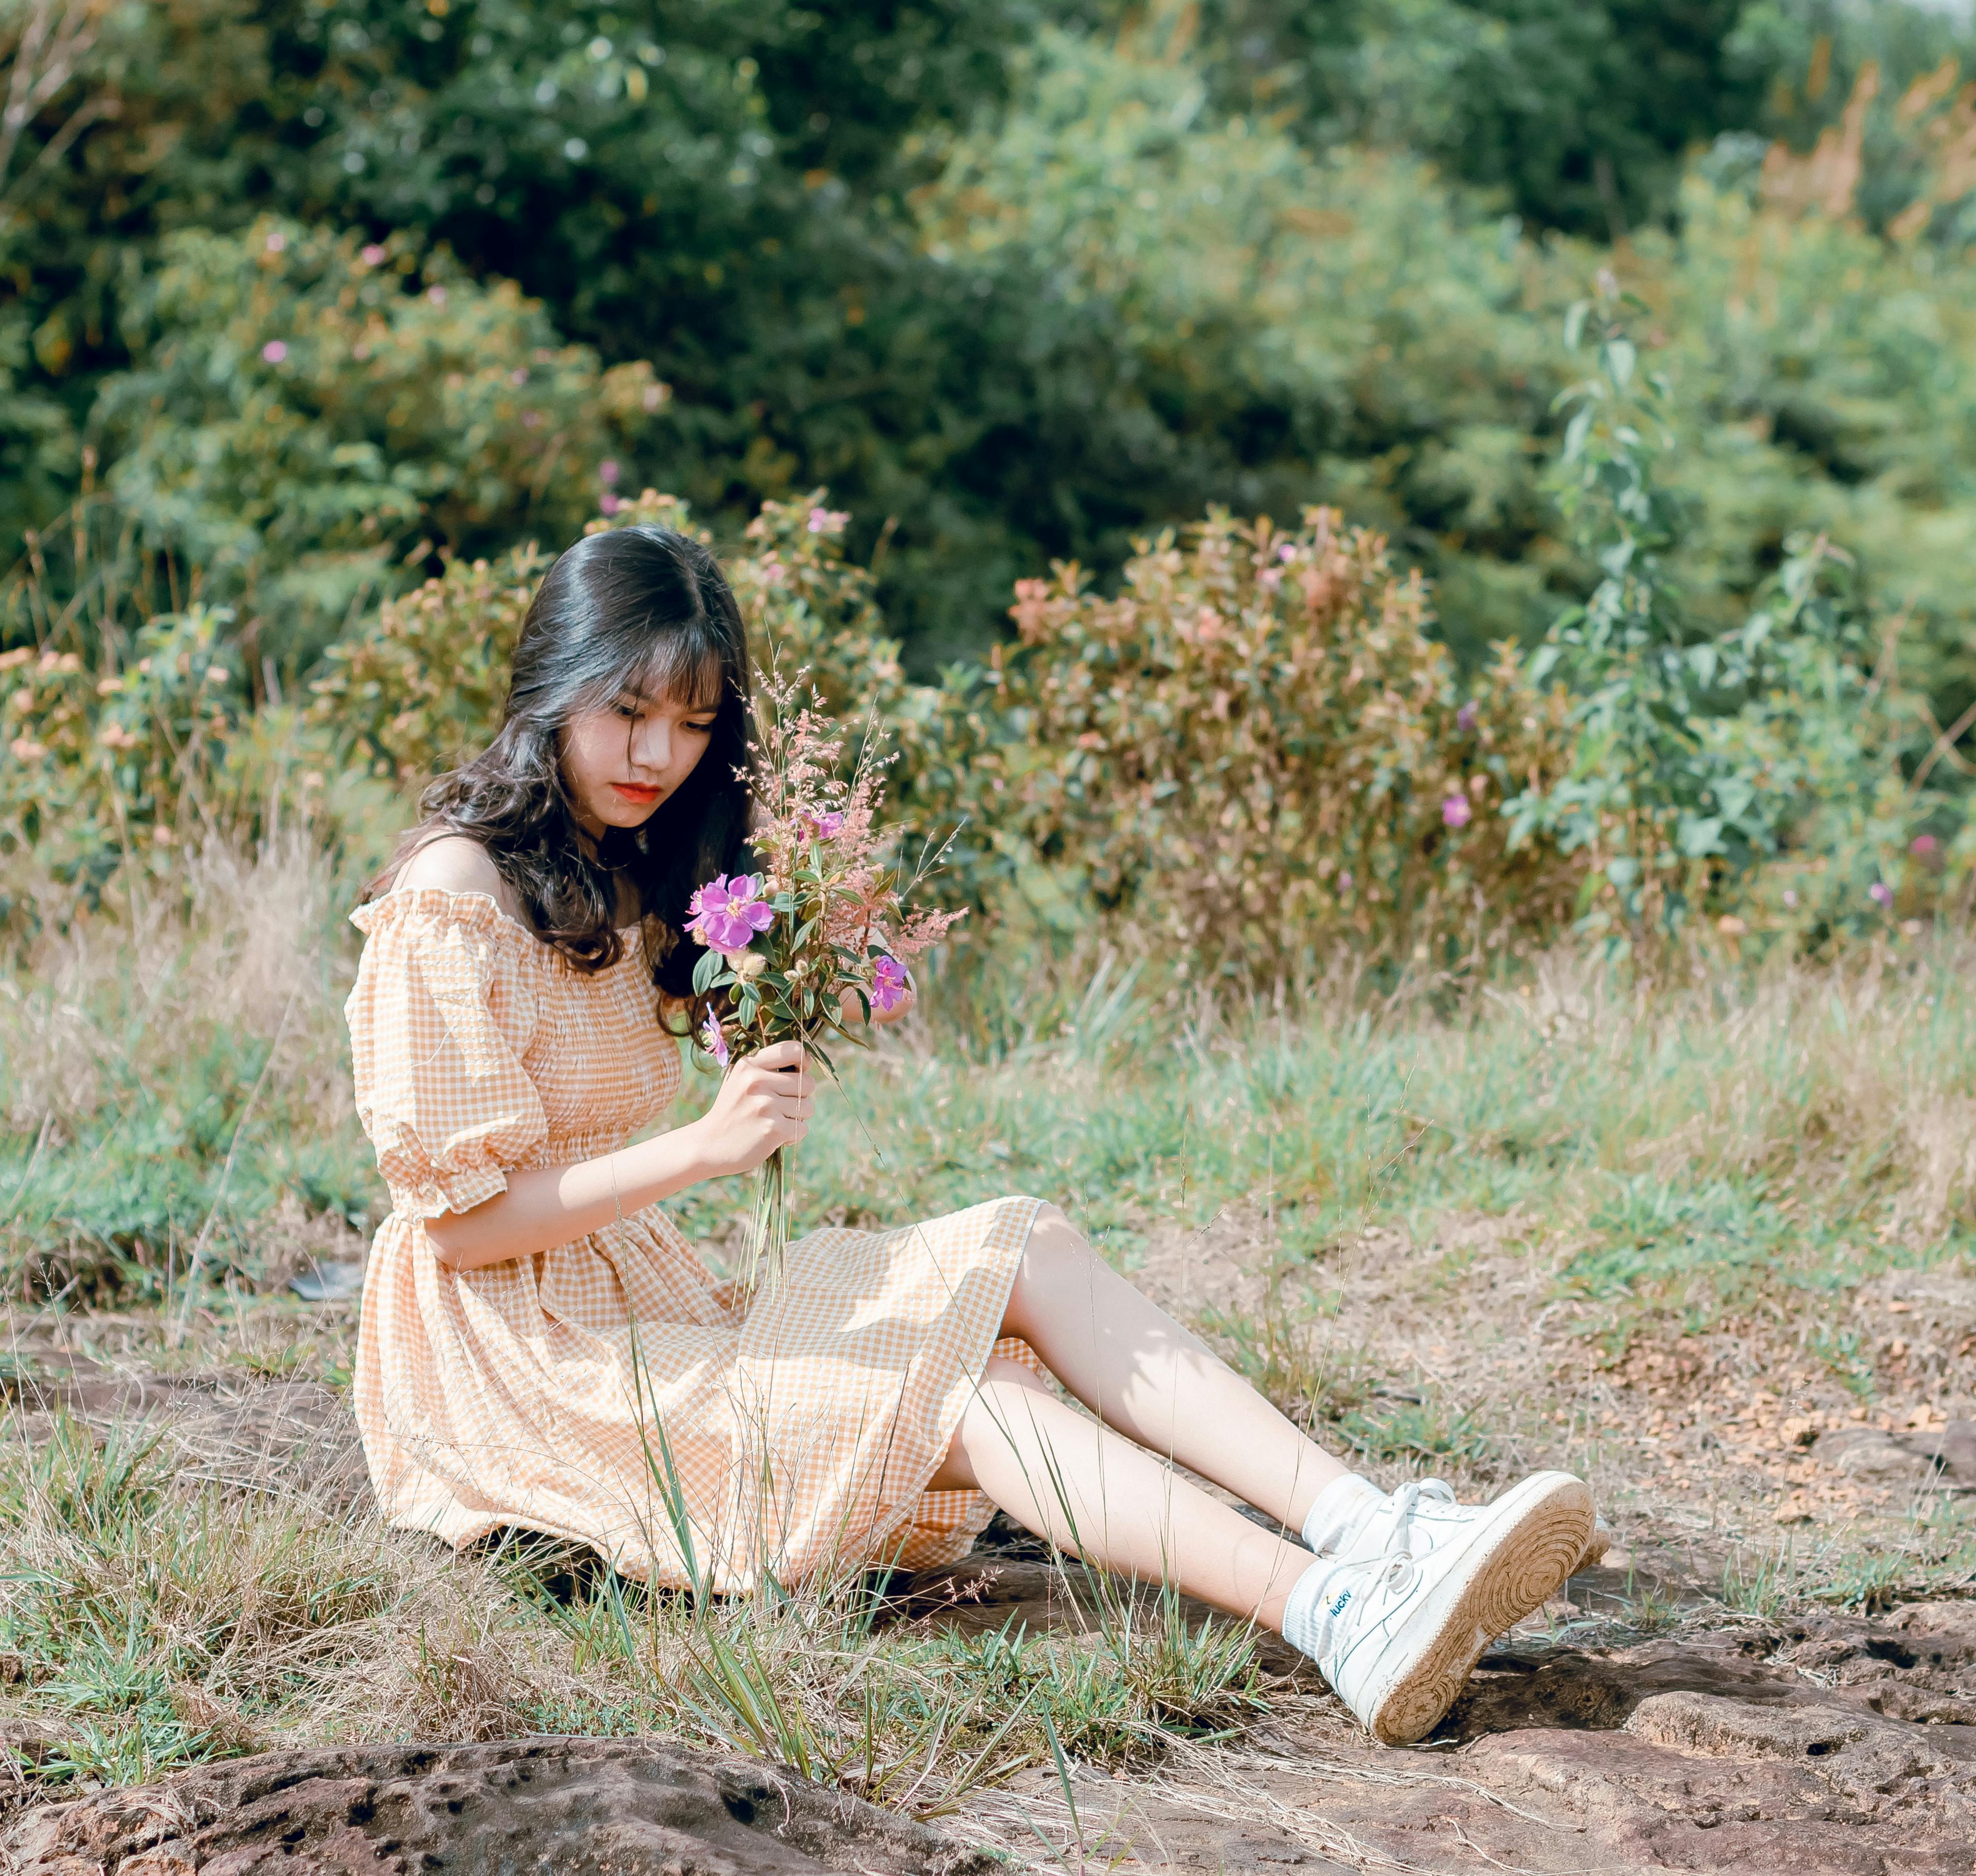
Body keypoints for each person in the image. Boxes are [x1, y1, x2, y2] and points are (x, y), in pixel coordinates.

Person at [341, 524, 1597, 1745]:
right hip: (515, 1367)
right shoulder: (454, 895)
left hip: (640, 1302)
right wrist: (702, 1151)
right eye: (628, 709)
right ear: (552, 687)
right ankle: (1338, 1619)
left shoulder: (628, 865)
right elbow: (459, 1228)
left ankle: (1371, 1529)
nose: (659, 751)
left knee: (1024, 1245)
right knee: (964, 1398)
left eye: (693, 720)